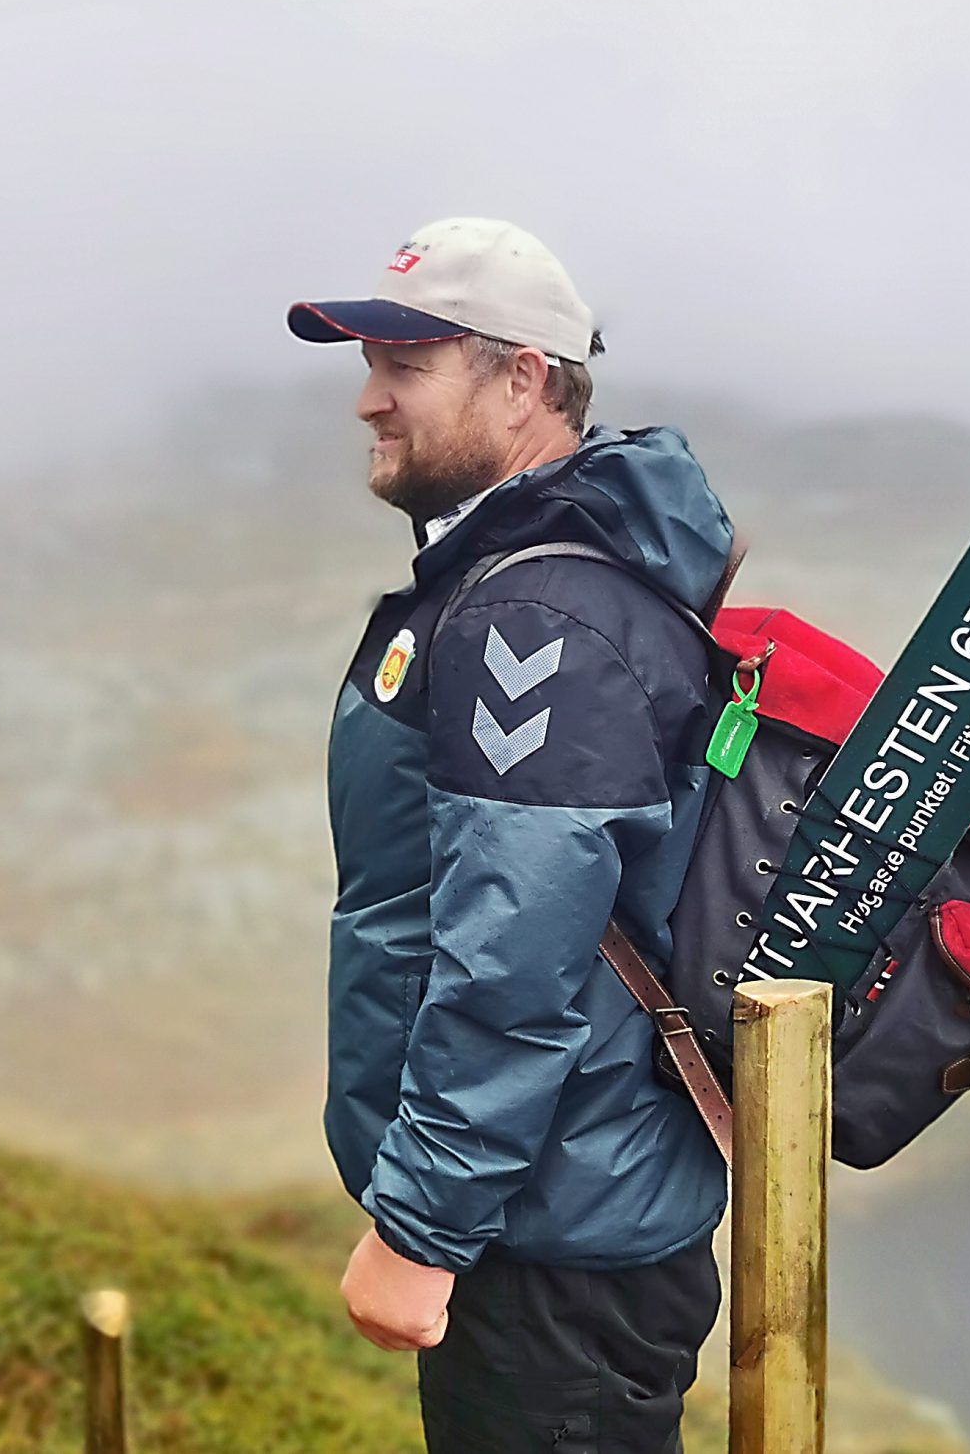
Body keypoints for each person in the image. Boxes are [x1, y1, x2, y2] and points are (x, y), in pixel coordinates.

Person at [289, 217, 735, 1453]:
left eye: (405, 365)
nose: (368, 401)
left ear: (524, 376)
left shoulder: (533, 614)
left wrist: (419, 1228)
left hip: (554, 1244)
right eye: (366, 365)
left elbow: (512, 958)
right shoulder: (532, 581)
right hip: (558, 1207)